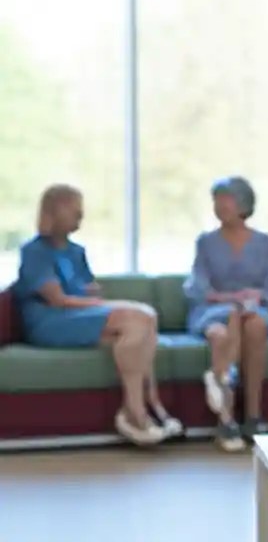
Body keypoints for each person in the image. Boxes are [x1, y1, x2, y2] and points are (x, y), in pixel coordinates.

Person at [15, 184, 183, 445]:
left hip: (75, 316)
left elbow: (88, 289)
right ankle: (135, 413)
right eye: (73, 210)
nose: (80, 215)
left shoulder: (76, 251)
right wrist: (113, 302)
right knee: (141, 316)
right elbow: (58, 300)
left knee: (142, 328)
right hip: (49, 321)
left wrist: (92, 295)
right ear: (54, 211)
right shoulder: (34, 251)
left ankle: (151, 406)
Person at [184, 176, 268, 451]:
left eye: (226, 200)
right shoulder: (205, 242)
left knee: (256, 327)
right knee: (223, 329)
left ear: (243, 204)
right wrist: (232, 299)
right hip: (213, 311)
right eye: (216, 201)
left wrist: (252, 298)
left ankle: (253, 416)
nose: (220, 206)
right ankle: (226, 420)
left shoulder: (265, 242)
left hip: (255, 310)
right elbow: (200, 288)